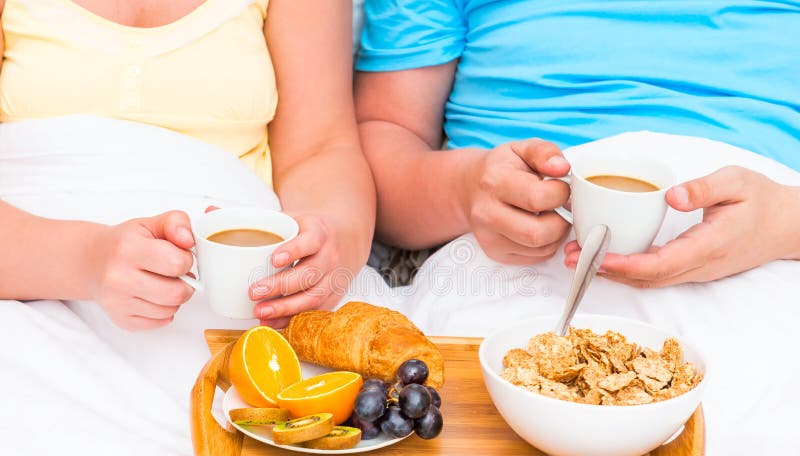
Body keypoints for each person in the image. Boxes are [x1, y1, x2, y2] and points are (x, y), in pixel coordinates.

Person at [355, 0, 800, 287]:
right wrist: (463, 190)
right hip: (507, 269)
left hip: (766, 271)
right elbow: (379, 154)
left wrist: (784, 222)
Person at [0, 0, 374, 329]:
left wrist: (332, 241)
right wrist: (86, 261)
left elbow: (322, 149)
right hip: (26, 295)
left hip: (233, 307)